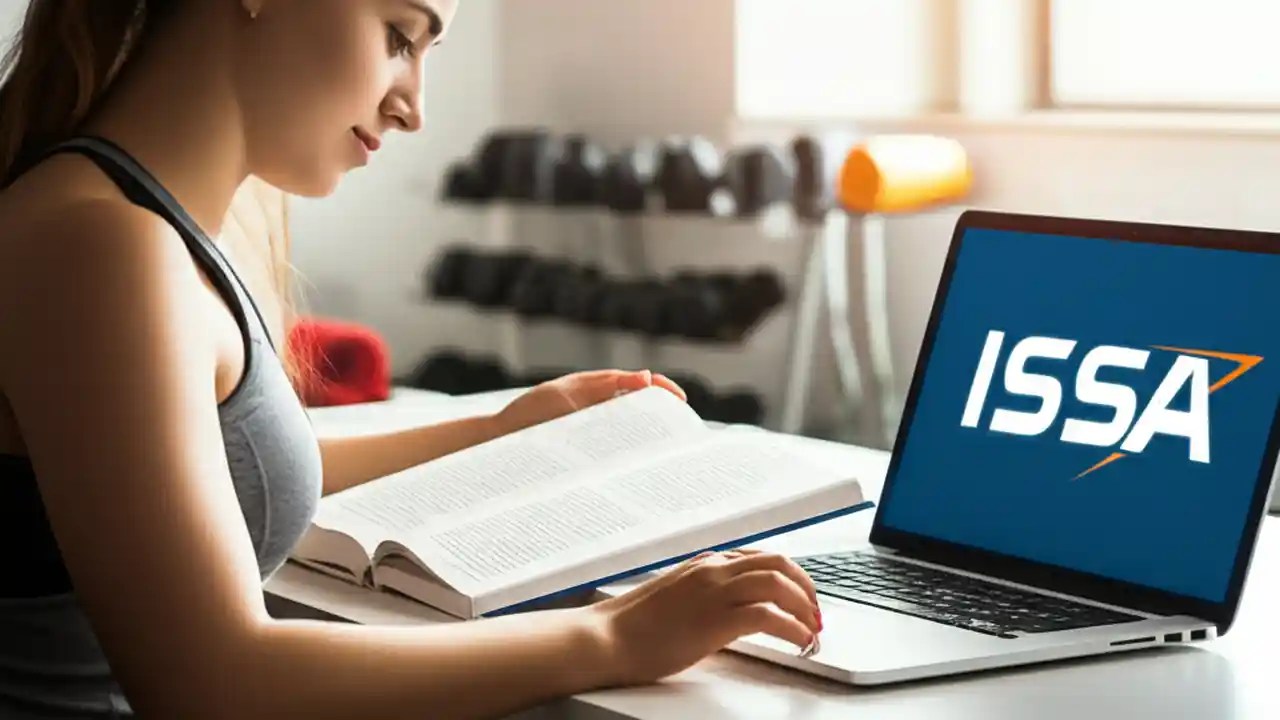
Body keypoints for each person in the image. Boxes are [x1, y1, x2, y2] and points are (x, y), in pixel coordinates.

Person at [0, 1, 823, 718]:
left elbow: (209, 469)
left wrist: (502, 432)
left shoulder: (167, 225)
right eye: (399, 36)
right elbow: (214, 682)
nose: (413, 109)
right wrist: (611, 636)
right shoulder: (101, 245)